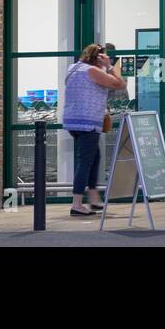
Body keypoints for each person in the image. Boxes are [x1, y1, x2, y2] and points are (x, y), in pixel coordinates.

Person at [61, 43, 126, 217]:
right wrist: (109, 66)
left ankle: (94, 198)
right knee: (85, 162)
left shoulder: (73, 68)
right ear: (99, 58)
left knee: (94, 157)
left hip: (73, 121)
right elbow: (120, 84)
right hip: (87, 122)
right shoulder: (93, 71)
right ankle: (77, 204)